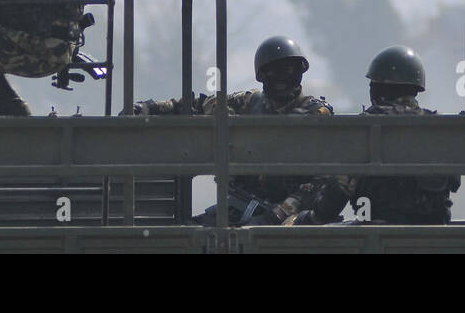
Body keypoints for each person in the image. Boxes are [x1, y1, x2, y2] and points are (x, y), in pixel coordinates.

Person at [133, 35, 337, 225]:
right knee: (187, 232)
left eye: (290, 70)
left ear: (300, 72)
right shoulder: (250, 102)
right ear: (263, 75)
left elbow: (323, 178)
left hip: (291, 215)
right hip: (241, 204)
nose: (283, 77)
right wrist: (149, 108)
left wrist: (280, 212)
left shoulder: (316, 114)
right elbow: (199, 104)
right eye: (275, 71)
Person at [312, 46, 458, 225]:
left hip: (377, 231)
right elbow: (453, 182)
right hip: (432, 234)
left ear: (378, 87)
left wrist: (316, 214)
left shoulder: (367, 126)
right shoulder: (437, 127)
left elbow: (337, 193)